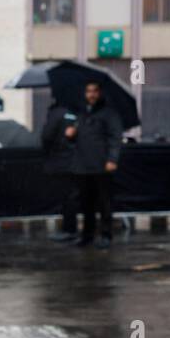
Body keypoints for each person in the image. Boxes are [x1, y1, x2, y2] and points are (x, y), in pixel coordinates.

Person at [70, 81, 123, 248]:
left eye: (94, 91)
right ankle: (87, 236)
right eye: (88, 91)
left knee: (104, 202)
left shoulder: (109, 114)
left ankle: (106, 235)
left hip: (101, 165)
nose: (91, 95)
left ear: (100, 93)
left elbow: (115, 138)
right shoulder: (81, 114)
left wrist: (112, 159)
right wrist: (70, 135)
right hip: (83, 166)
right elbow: (77, 138)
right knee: (86, 203)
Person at [40, 98, 79, 240]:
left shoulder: (57, 112)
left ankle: (69, 230)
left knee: (66, 197)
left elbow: (46, 136)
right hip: (77, 162)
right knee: (72, 197)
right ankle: (71, 229)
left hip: (60, 162)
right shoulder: (78, 112)